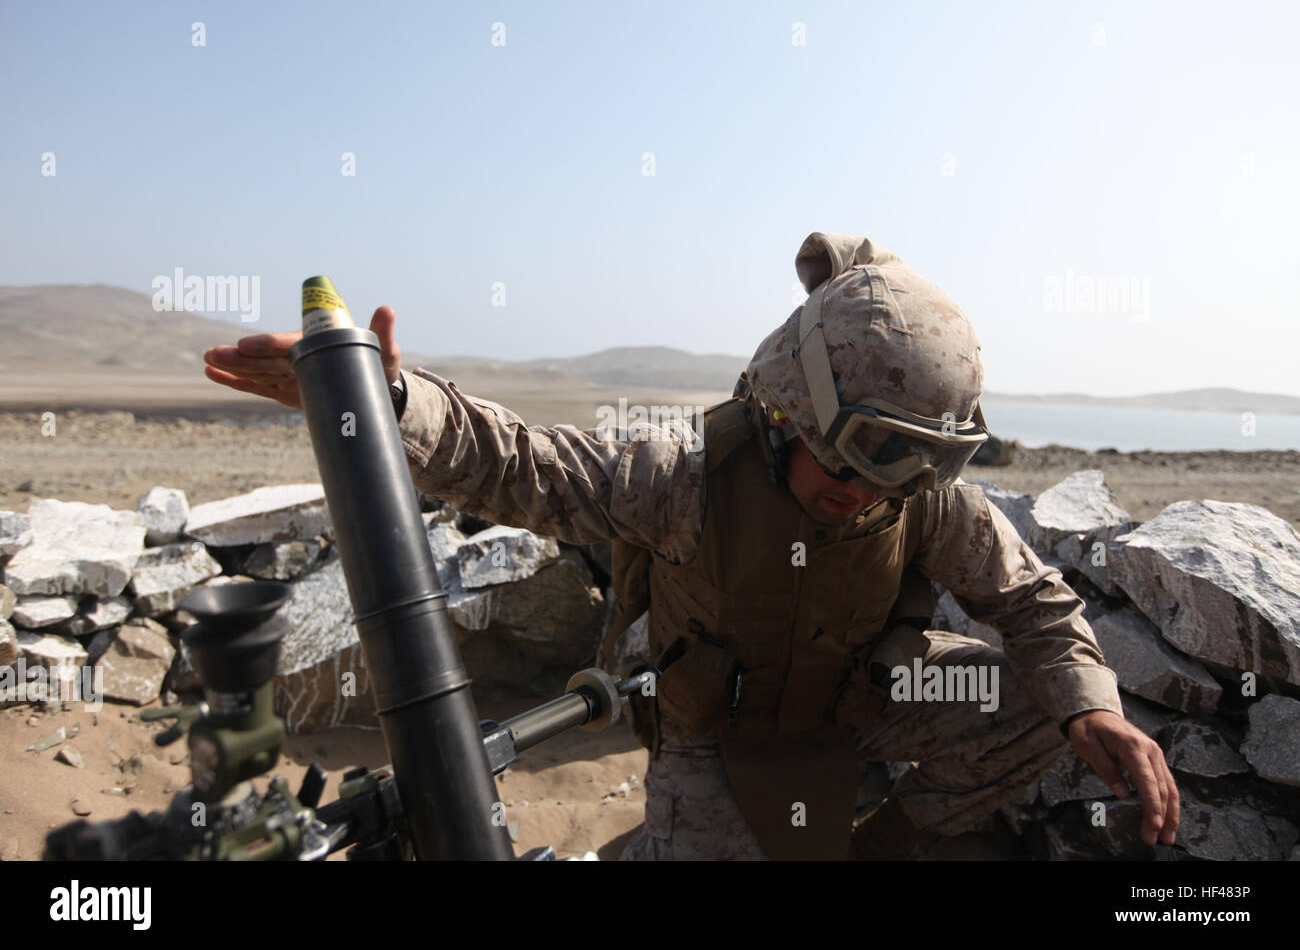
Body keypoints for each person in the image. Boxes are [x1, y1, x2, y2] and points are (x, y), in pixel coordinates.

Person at [203, 231, 1179, 860]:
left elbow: (1034, 601)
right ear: (794, 406)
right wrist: (381, 404)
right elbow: (528, 466)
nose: (867, 494)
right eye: (857, 455)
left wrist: (1094, 709)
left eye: (908, 468)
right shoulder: (684, 481)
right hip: (719, 734)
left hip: (863, 703)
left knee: (1026, 708)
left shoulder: (915, 499)